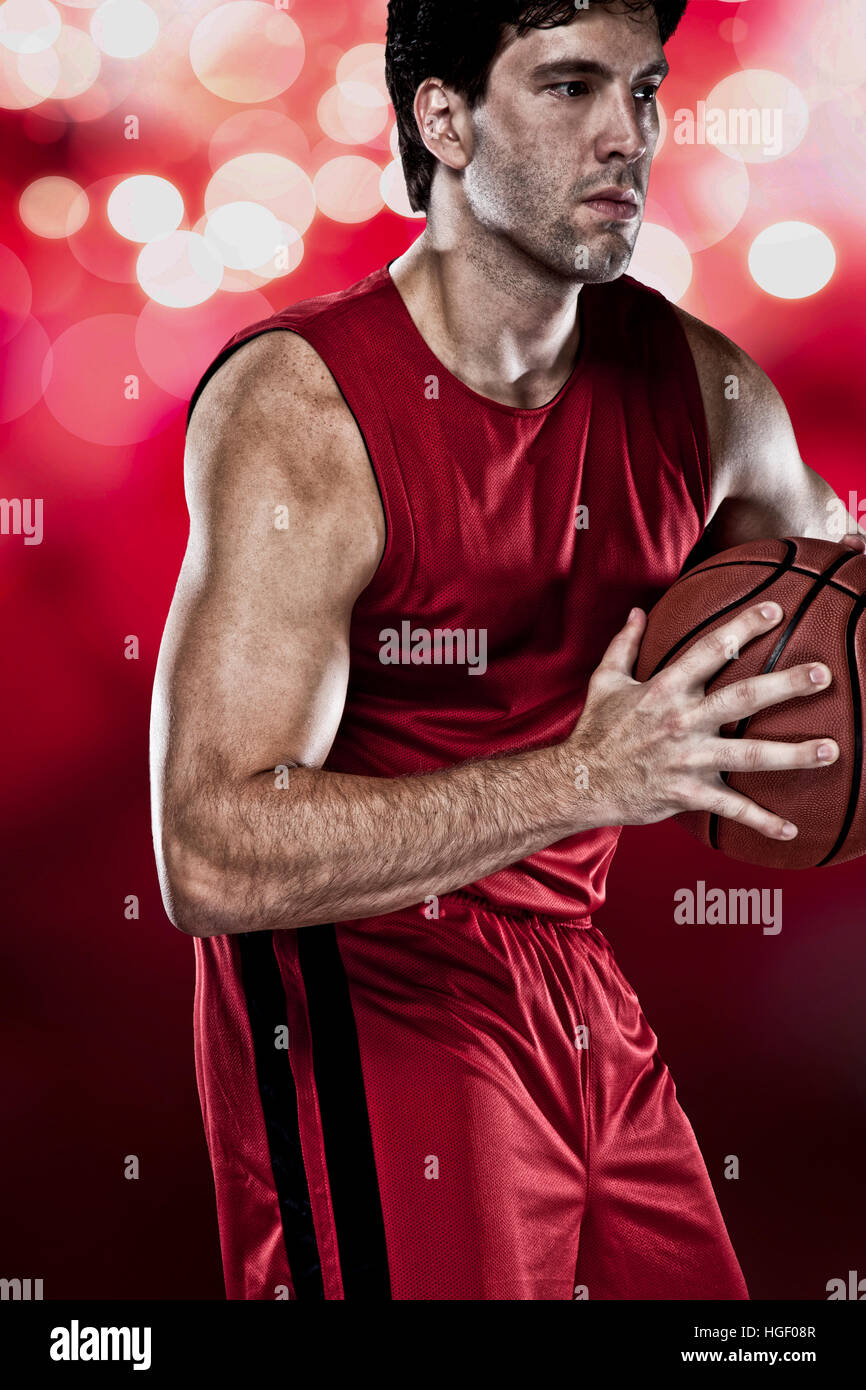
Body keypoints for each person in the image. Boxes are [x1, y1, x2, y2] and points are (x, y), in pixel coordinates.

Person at [150, 0, 865, 1300]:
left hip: (579, 988)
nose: (624, 136)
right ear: (443, 120)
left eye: (641, 91)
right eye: (569, 88)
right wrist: (582, 781)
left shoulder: (697, 389)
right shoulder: (304, 412)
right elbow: (206, 850)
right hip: (373, 996)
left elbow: (842, 580)